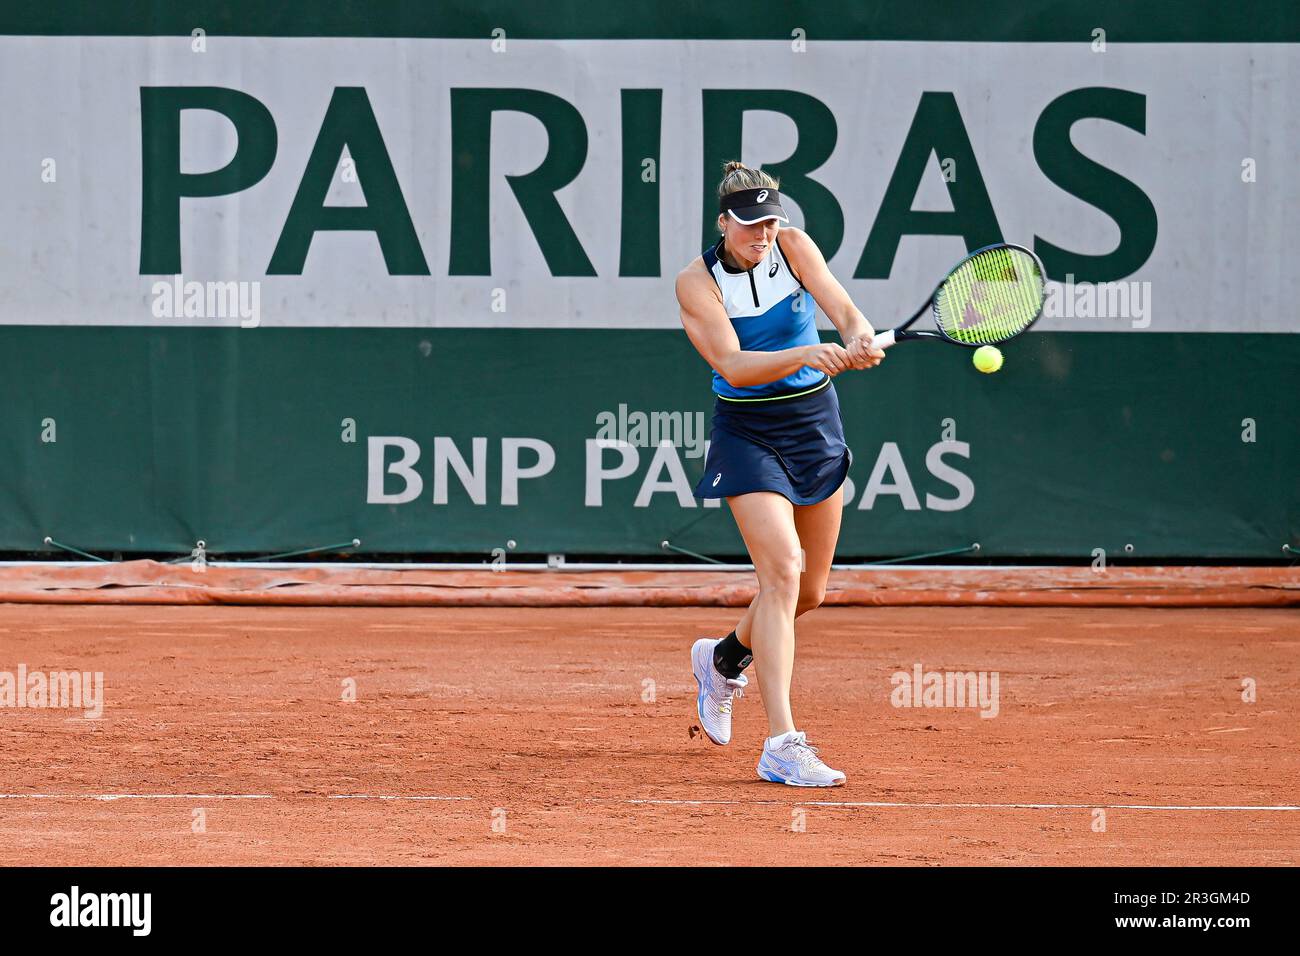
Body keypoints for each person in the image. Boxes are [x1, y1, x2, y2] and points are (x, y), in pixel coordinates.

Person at [675, 161, 884, 786]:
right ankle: (782, 744)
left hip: (815, 422)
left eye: (768, 221)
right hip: (748, 431)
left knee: (809, 591)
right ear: (723, 223)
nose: (761, 234)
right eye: (748, 224)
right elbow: (735, 366)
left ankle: (723, 658)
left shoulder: (793, 247)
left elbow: (841, 307)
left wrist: (858, 333)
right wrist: (809, 352)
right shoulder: (696, 283)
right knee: (782, 571)